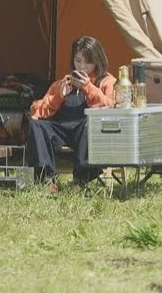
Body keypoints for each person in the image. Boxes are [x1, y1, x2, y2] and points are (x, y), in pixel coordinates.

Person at [25, 35, 116, 189]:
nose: (82, 67)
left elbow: (110, 107)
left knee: (91, 124)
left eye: (88, 62)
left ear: (97, 61)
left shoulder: (106, 81)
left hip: (84, 130)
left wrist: (88, 87)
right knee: (36, 125)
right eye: (78, 61)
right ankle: (46, 179)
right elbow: (37, 111)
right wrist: (58, 97)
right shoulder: (64, 82)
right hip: (63, 129)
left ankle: (80, 180)